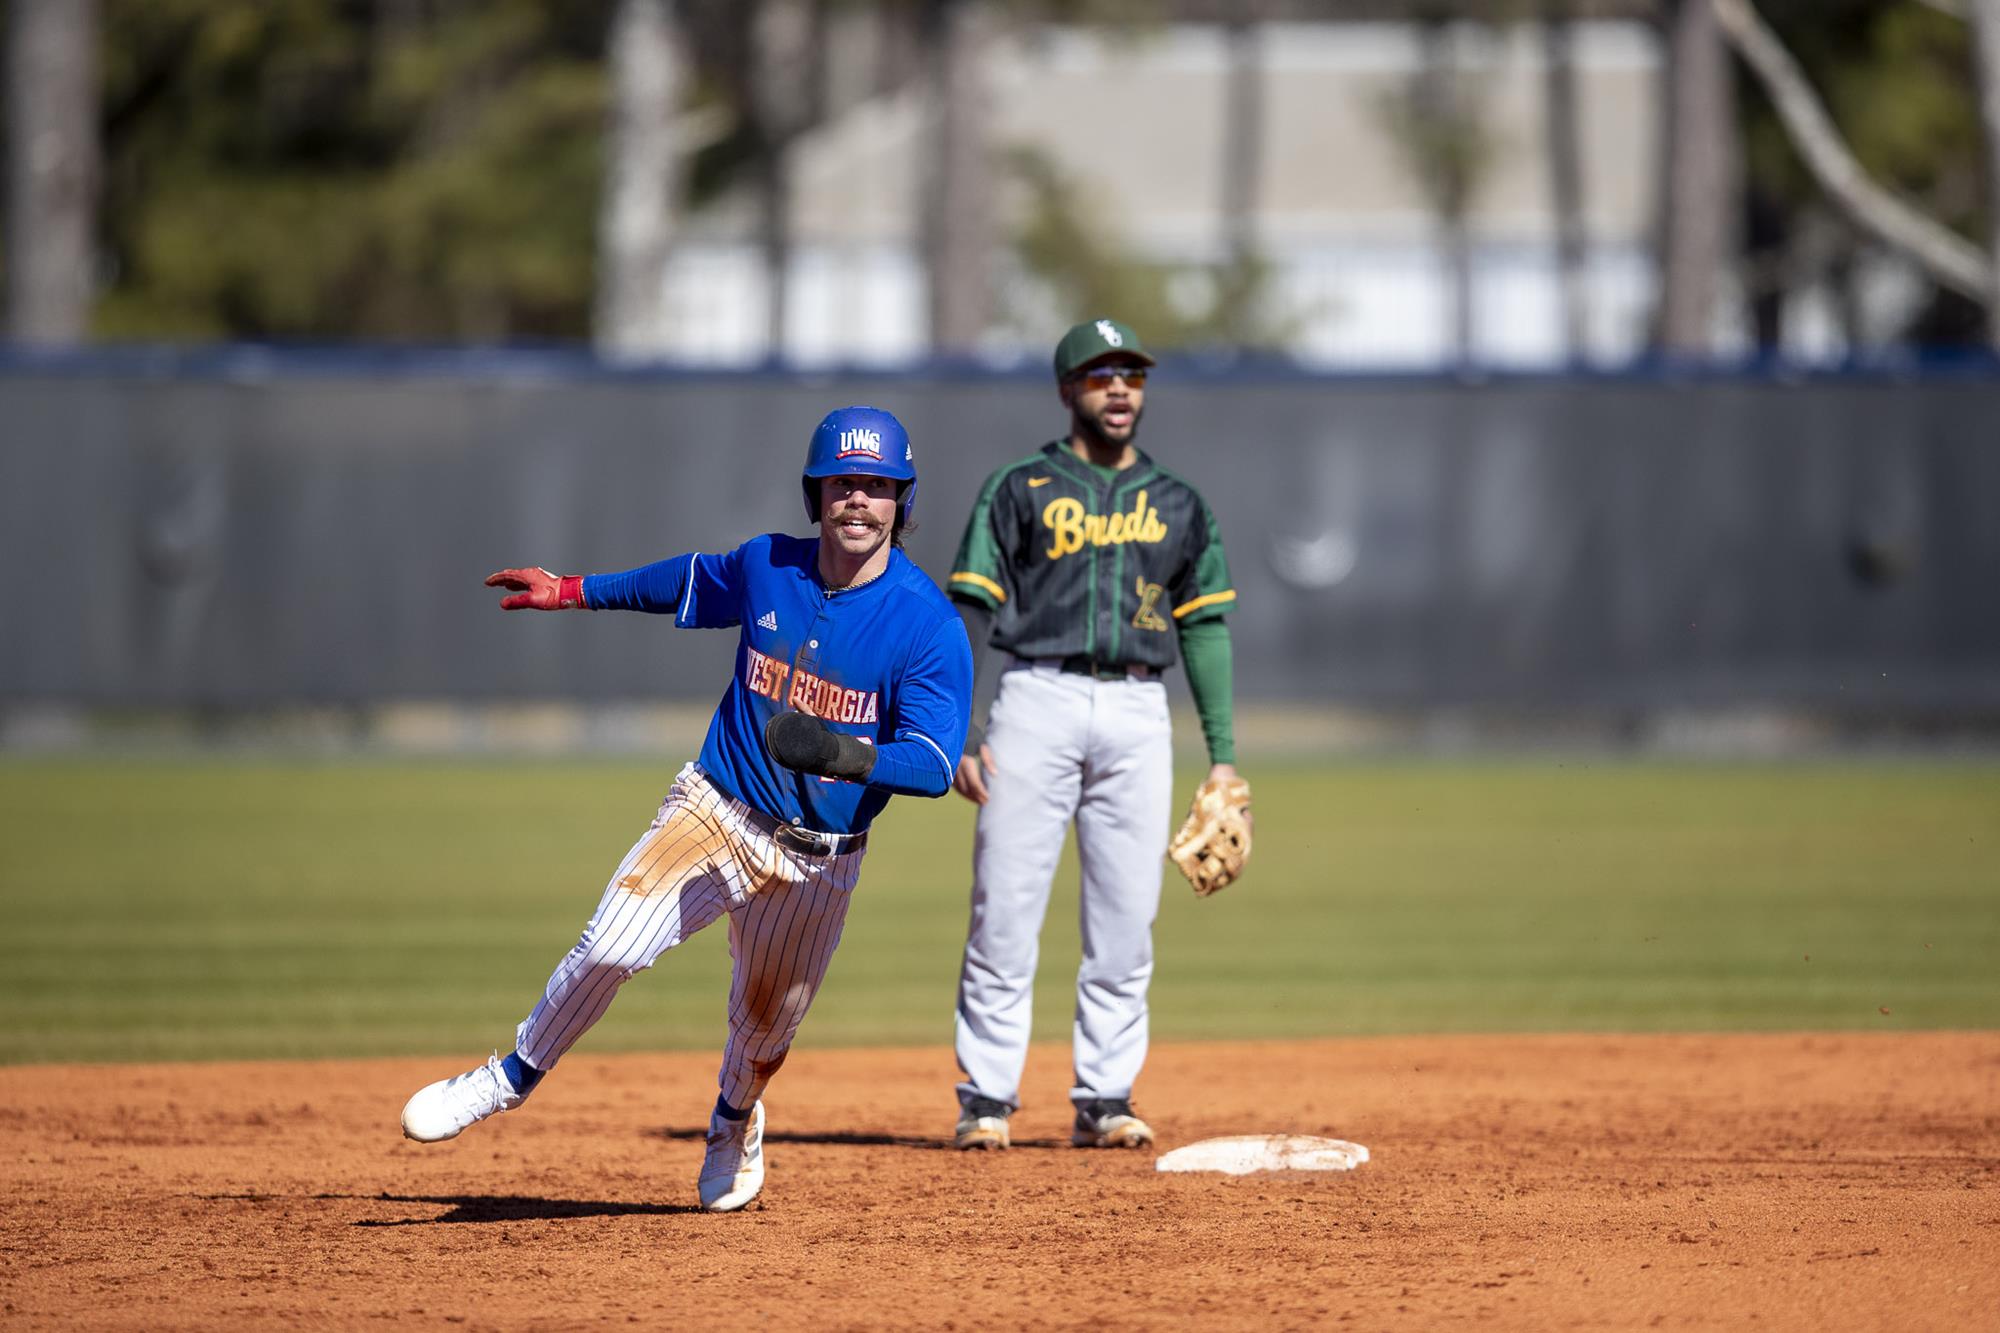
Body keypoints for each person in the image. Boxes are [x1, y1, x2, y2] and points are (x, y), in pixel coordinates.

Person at [399, 405, 972, 1212]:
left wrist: (847, 754)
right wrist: (570, 590)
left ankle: (733, 1121)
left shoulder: (927, 626)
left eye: (878, 487)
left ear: (901, 502)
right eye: (843, 483)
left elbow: (937, 762)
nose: (859, 501)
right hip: (718, 806)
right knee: (611, 941)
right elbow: (685, 579)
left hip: (818, 859)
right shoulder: (771, 565)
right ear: (817, 494)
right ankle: (509, 1075)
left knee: (763, 1028)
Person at [945, 317, 1241, 1152]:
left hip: (1140, 711)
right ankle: (986, 1099)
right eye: (1101, 374)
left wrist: (1222, 757)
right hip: (1034, 698)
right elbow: (967, 609)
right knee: (1003, 907)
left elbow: (1206, 630)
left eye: (1133, 375)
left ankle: (1107, 1095)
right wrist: (960, 729)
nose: (1120, 389)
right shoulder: (1019, 487)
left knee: (1125, 916)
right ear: (1068, 388)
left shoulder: (1178, 503)